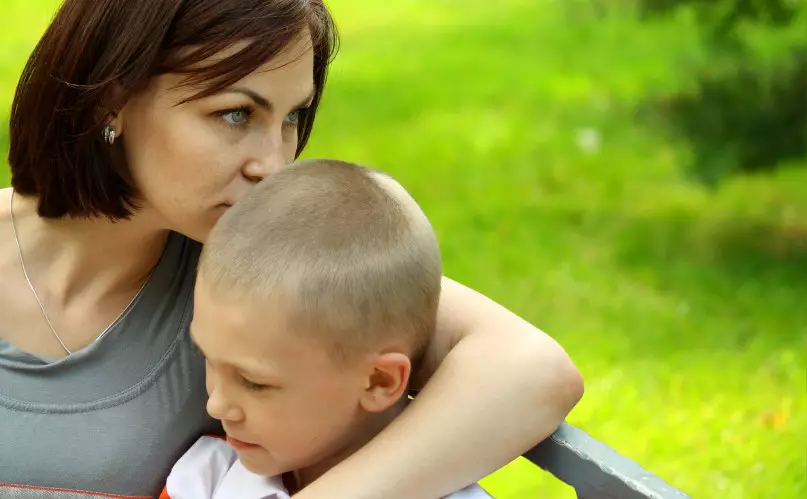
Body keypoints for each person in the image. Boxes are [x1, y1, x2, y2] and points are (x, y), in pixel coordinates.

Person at [0, 0, 583, 498]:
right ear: (112, 100)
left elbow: (532, 370)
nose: (274, 165)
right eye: (235, 113)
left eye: (292, 117)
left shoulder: (252, 282)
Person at [161, 158, 492, 498]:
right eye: (208, 359)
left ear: (379, 381)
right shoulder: (207, 477)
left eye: (254, 382)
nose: (216, 405)